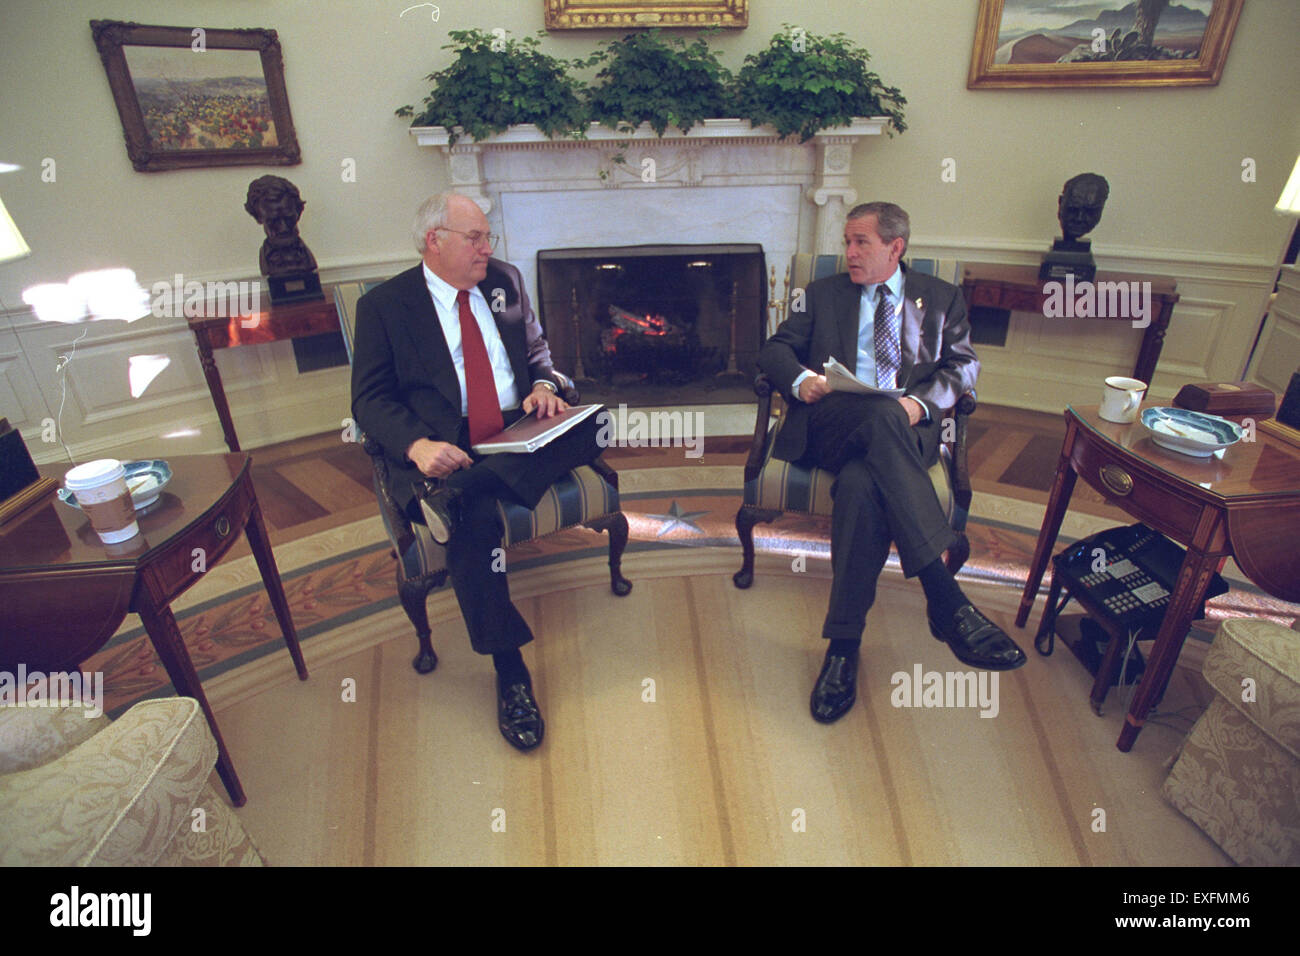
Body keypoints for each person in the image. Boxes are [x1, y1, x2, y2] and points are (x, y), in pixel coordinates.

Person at [351, 191, 604, 751]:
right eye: (475, 238)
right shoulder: (386, 307)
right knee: (472, 527)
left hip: (516, 425)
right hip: (447, 438)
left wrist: (544, 387)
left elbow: (540, 355)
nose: (487, 249)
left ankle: (454, 493)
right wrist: (416, 446)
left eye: (488, 237)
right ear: (433, 241)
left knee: (597, 423)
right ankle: (511, 672)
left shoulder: (504, 282)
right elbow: (368, 401)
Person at [759, 201, 1026, 724]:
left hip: (902, 426)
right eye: (847, 241)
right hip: (832, 421)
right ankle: (943, 595)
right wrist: (800, 380)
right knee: (878, 418)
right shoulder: (821, 293)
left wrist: (919, 404)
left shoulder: (943, 298)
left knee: (862, 485)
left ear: (895, 247)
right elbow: (774, 351)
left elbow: (963, 368)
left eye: (861, 242)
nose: (849, 252)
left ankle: (842, 649)